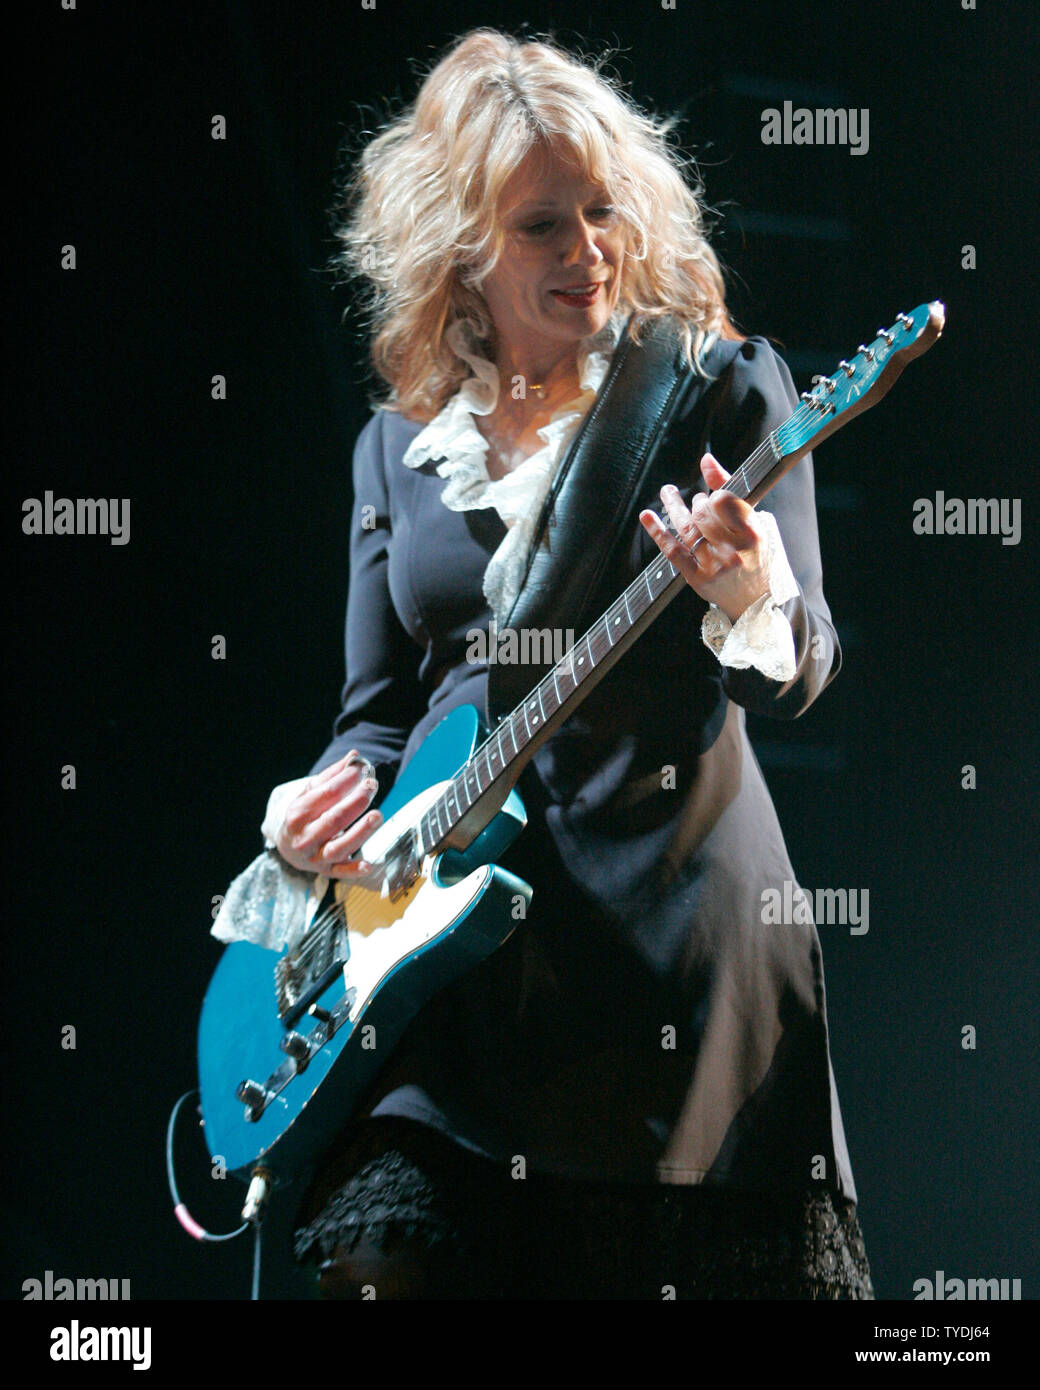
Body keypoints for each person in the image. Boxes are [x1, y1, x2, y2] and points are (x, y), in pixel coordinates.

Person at [247, 28, 874, 1299]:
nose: (587, 251)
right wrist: (303, 814)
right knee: (377, 1264)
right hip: (455, 954)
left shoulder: (712, 390)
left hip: (671, 933)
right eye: (543, 225)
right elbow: (376, 721)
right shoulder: (395, 448)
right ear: (464, 248)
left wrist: (747, 588)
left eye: (601, 212)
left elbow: (799, 661)